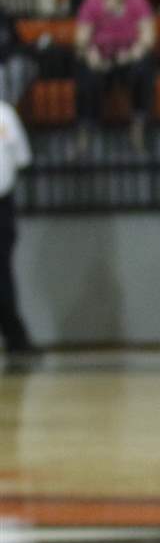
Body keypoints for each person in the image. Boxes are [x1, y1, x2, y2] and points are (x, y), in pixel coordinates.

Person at [74, 0, 156, 156]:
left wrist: (134, 52)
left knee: (143, 69)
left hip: (128, 58)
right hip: (102, 59)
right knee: (86, 75)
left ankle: (138, 129)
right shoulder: (92, 1)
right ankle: (85, 132)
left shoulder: (136, 0)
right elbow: (81, 38)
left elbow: (149, 37)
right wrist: (89, 52)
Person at [0, 98, 35, 359]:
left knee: (3, 272)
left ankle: (15, 337)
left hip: (3, 203)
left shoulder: (5, 114)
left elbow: (22, 158)